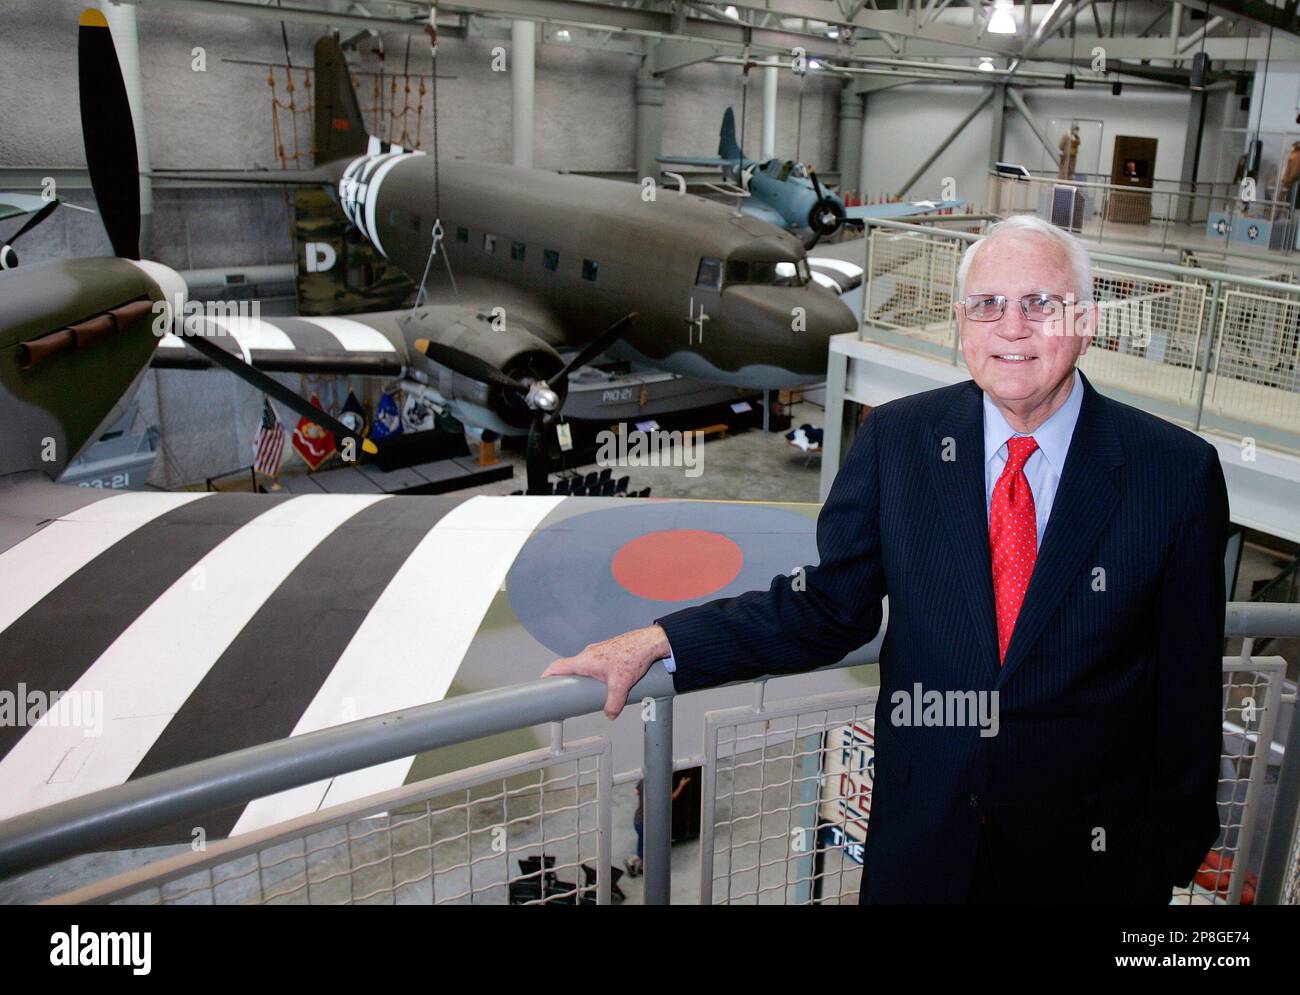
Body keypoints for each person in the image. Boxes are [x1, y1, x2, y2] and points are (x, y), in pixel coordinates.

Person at [544, 214, 1229, 905]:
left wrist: (1162, 859)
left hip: (1089, 866)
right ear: (962, 325)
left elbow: (1189, 686)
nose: (1012, 327)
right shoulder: (899, 442)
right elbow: (826, 607)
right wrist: (661, 640)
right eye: (988, 305)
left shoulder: (1172, 473)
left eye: (1040, 304)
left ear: (1086, 322)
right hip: (923, 848)